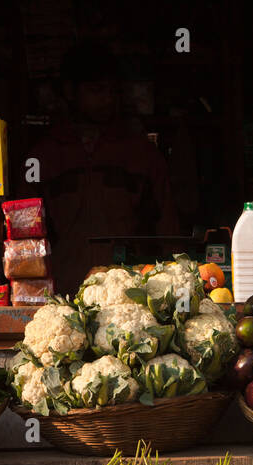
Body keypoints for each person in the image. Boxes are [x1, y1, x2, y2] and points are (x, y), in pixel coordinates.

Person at [27, 44, 180, 290]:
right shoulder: (43, 157)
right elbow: (23, 239)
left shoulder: (142, 154)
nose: (107, 99)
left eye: (113, 91)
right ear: (69, 92)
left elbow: (169, 231)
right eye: (97, 90)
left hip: (131, 294)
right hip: (61, 293)